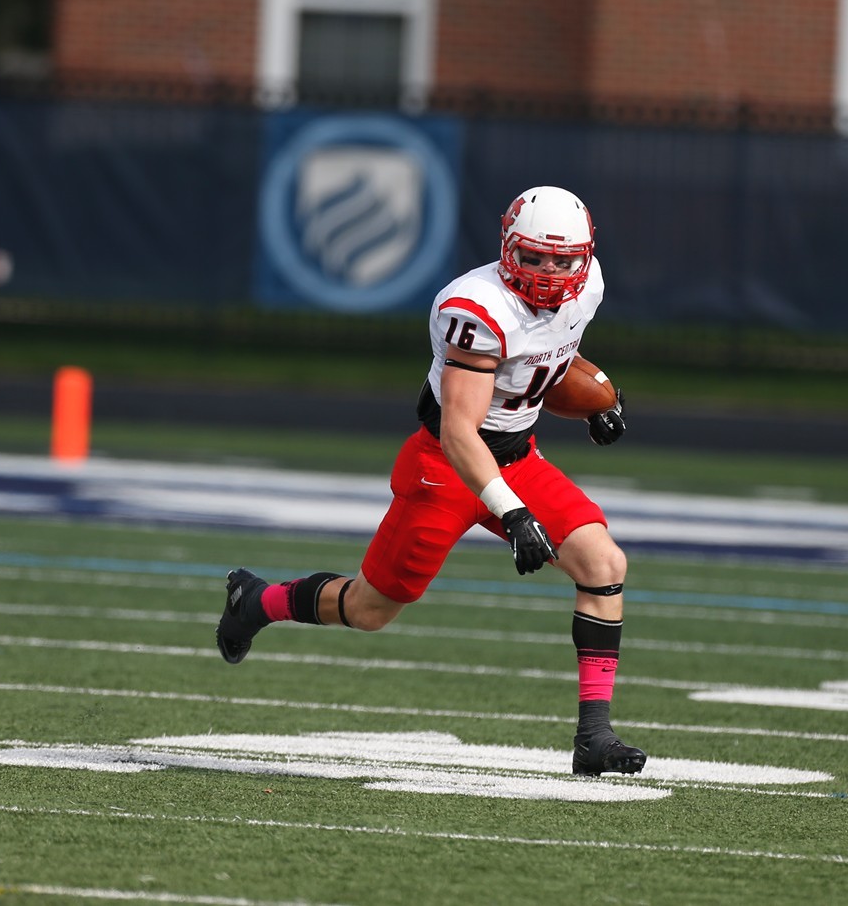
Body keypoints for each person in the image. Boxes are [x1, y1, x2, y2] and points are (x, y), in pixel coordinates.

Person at [217, 185, 642, 776]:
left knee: (604, 564)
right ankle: (257, 602)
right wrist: (513, 513)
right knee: (369, 609)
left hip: (518, 457)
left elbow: (548, 363)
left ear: (585, 257)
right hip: (445, 465)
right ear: (506, 248)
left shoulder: (587, 285)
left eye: (563, 260)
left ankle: (594, 736)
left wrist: (596, 402)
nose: (550, 273)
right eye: (535, 258)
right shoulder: (474, 308)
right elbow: (459, 431)